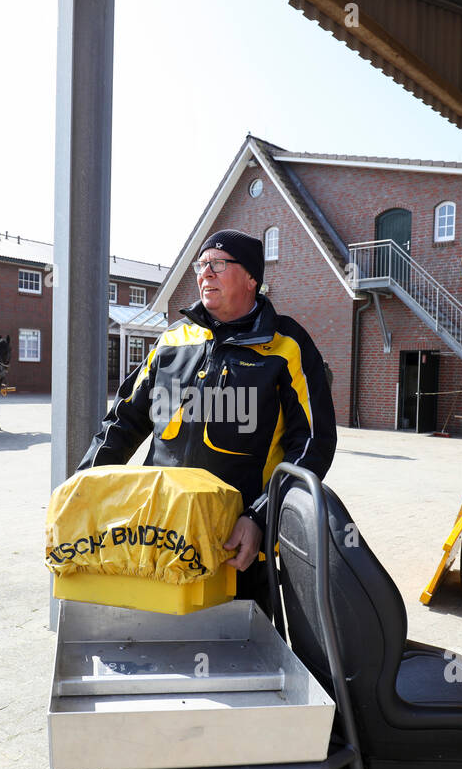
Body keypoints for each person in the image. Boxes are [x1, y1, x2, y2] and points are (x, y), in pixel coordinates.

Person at [77, 228, 337, 602]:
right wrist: (85, 484)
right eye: (202, 265)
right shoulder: (172, 340)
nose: (205, 273)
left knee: (239, 653)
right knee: (158, 647)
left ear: (251, 279)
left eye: (217, 264)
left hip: (238, 549)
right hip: (159, 539)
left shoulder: (287, 345)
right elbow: (123, 421)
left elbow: (312, 445)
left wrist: (261, 518)